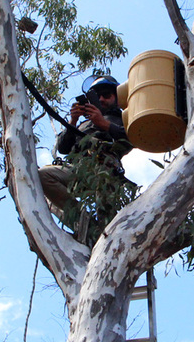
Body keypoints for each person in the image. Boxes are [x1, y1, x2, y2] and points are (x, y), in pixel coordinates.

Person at [39, 75, 133, 236]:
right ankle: (85, 224)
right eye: (98, 96)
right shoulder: (84, 124)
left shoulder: (123, 118)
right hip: (78, 170)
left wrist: (104, 124)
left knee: (108, 226)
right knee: (44, 176)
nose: (102, 99)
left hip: (105, 170)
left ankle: (106, 236)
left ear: (117, 99)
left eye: (107, 95)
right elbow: (63, 147)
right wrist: (73, 121)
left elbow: (133, 139)